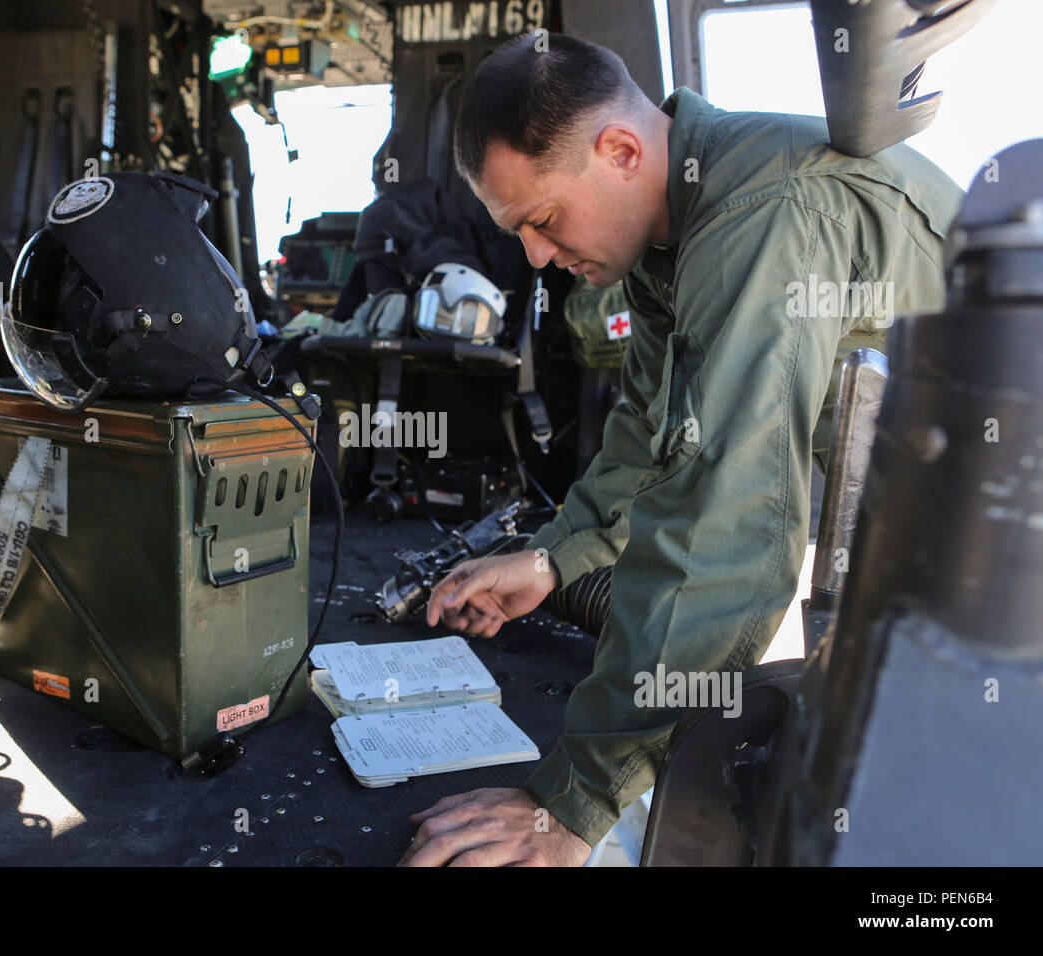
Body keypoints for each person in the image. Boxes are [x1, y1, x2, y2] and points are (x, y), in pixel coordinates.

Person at [397, 32, 963, 867]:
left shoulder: (761, 218)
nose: (537, 258)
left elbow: (725, 524)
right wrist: (552, 560)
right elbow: (652, 436)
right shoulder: (675, 234)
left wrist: (570, 806)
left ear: (621, 149)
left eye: (543, 220)